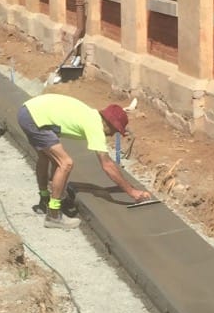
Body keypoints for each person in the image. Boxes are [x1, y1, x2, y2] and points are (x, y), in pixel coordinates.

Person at [17, 94, 152, 228]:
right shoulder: (96, 126)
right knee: (66, 163)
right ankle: (53, 215)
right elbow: (107, 165)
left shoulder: (90, 115)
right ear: (109, 123)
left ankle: (45, 201)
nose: (112, 135)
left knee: (47, 158)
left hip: (28, 111)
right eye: (115, 130)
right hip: (34, 117)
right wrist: (132, 192)